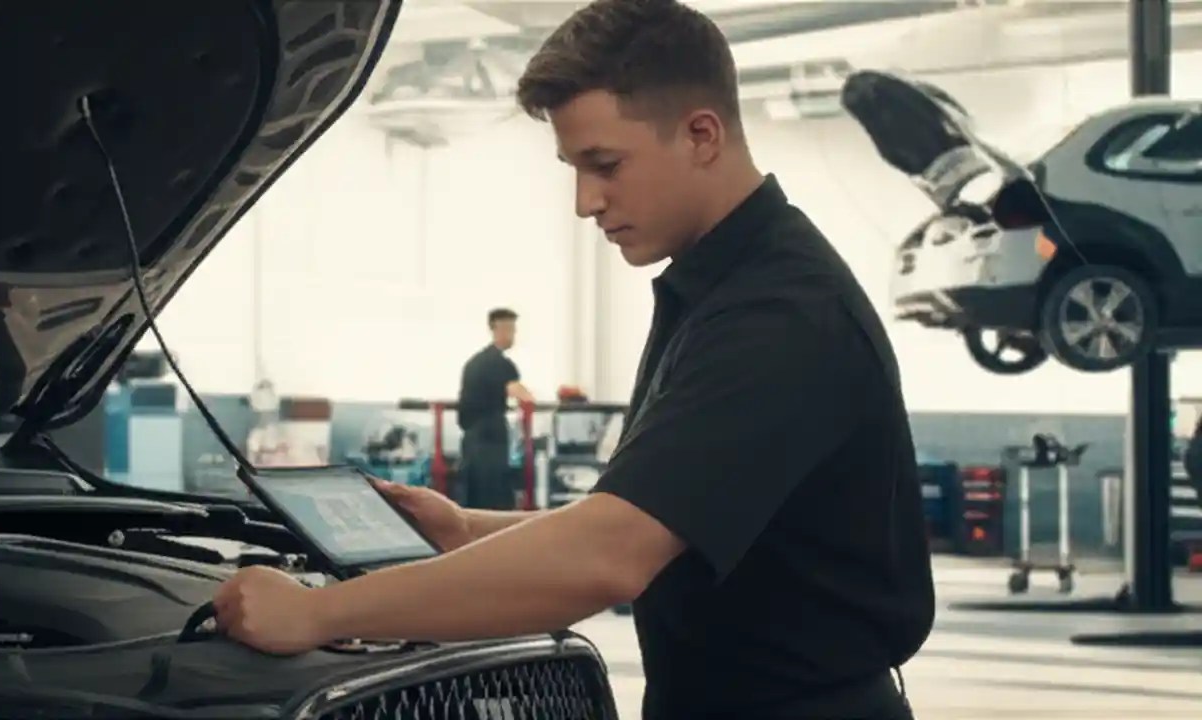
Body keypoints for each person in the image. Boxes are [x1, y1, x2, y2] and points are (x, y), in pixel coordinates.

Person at [213, 2, 935, 717]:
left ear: (702, 135)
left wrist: (317, 614)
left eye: (605, 165)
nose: (586, 202)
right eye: (574, 168)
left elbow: (610, 554)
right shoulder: (725, 288)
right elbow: (653, 514)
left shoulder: (781, 314)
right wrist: (465, 530)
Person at [455, 308, 535, 509]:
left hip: (471, 436)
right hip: (490, 436)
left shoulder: (474, 362)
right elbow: (521, 394)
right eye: (511, 329)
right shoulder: (501, 364)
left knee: (474, 497)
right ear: (498, 329)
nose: (513, 335)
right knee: (495, 496)